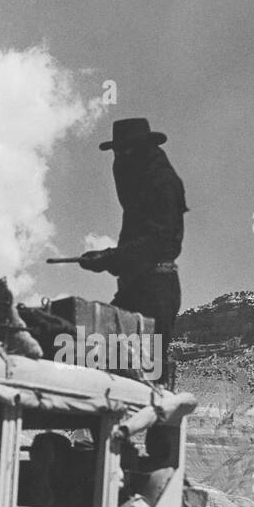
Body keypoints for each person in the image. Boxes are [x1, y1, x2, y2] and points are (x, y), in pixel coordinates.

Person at [79, 118, 187, 389]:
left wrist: (109, 258)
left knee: (150, 381)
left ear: (142, 150)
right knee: (103, 358)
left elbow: (161, 243)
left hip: (156, 290)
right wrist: (111, 260)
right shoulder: (143, 187)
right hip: (137, 287)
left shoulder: (162, 184)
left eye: (126, 150)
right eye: (118, 152)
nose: (120, 158)